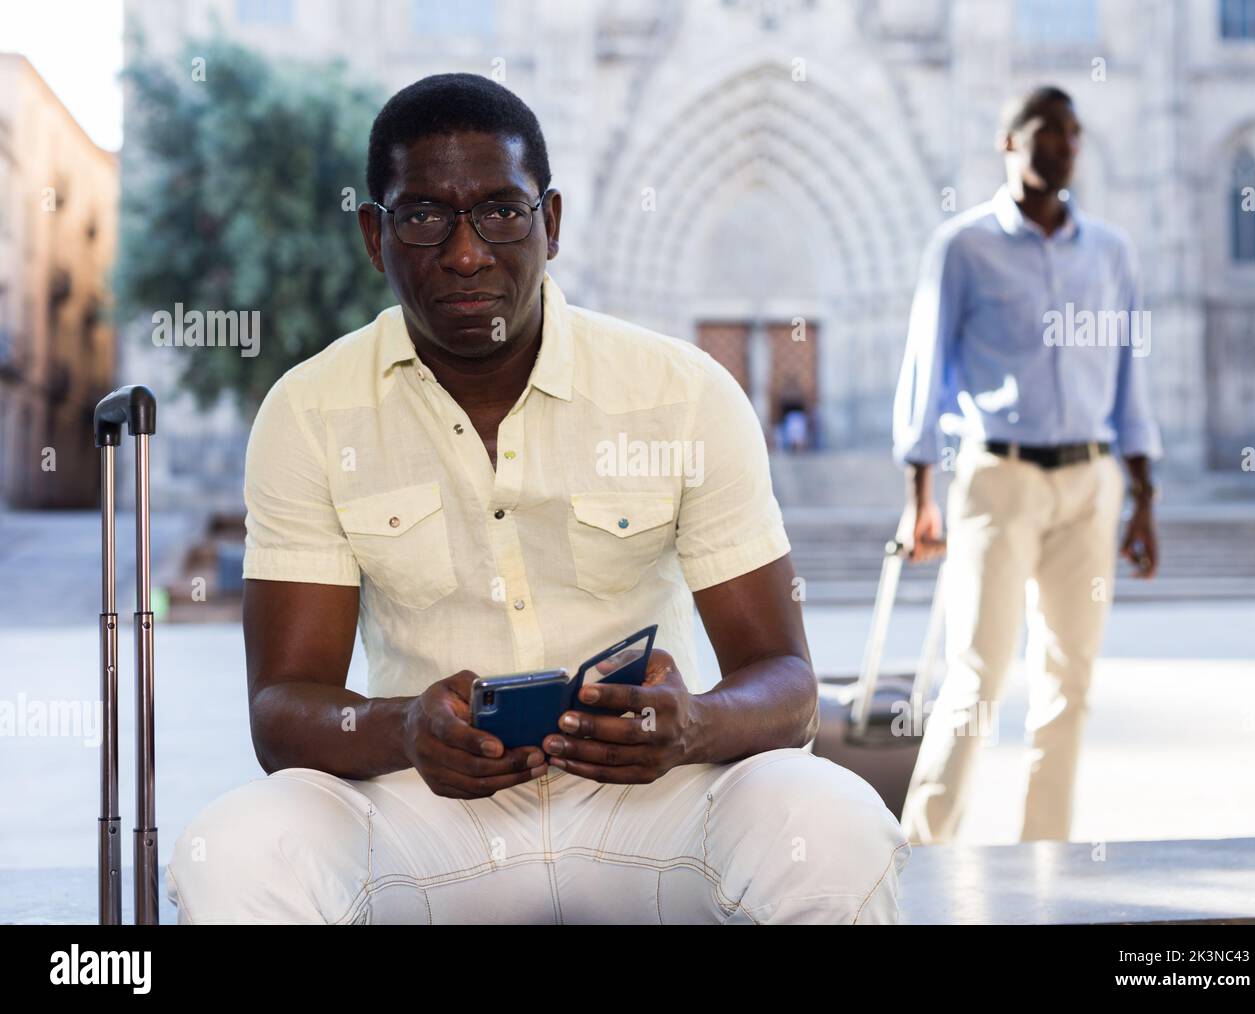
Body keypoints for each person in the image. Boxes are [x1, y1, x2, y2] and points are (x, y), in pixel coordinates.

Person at [164, 73, 909, 924]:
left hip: (652, 807)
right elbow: (283, 710)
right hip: (425, 814)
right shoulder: (309, 411)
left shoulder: (683, 392)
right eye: (423, 215)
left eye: (501, 211)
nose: (466, 251)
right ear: (375, 234)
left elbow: (790, 684)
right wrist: (406, 728)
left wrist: (691, 724)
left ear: (550, 223)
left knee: (836, 824)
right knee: (233, 853)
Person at [891, 85, 1162, 844]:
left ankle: (1049, 854)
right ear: (1010, 143)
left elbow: (1129, 379)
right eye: (1047, 131)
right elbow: (927, 367)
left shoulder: (1113, 253)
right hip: (997, 480)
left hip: (1091, 481)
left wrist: (1143, 495)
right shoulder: (964, 246)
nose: (1065, 145)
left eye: (1074, 133)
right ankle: (923, 851)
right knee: (976, 672)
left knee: (1069, 677)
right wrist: (920, 492)